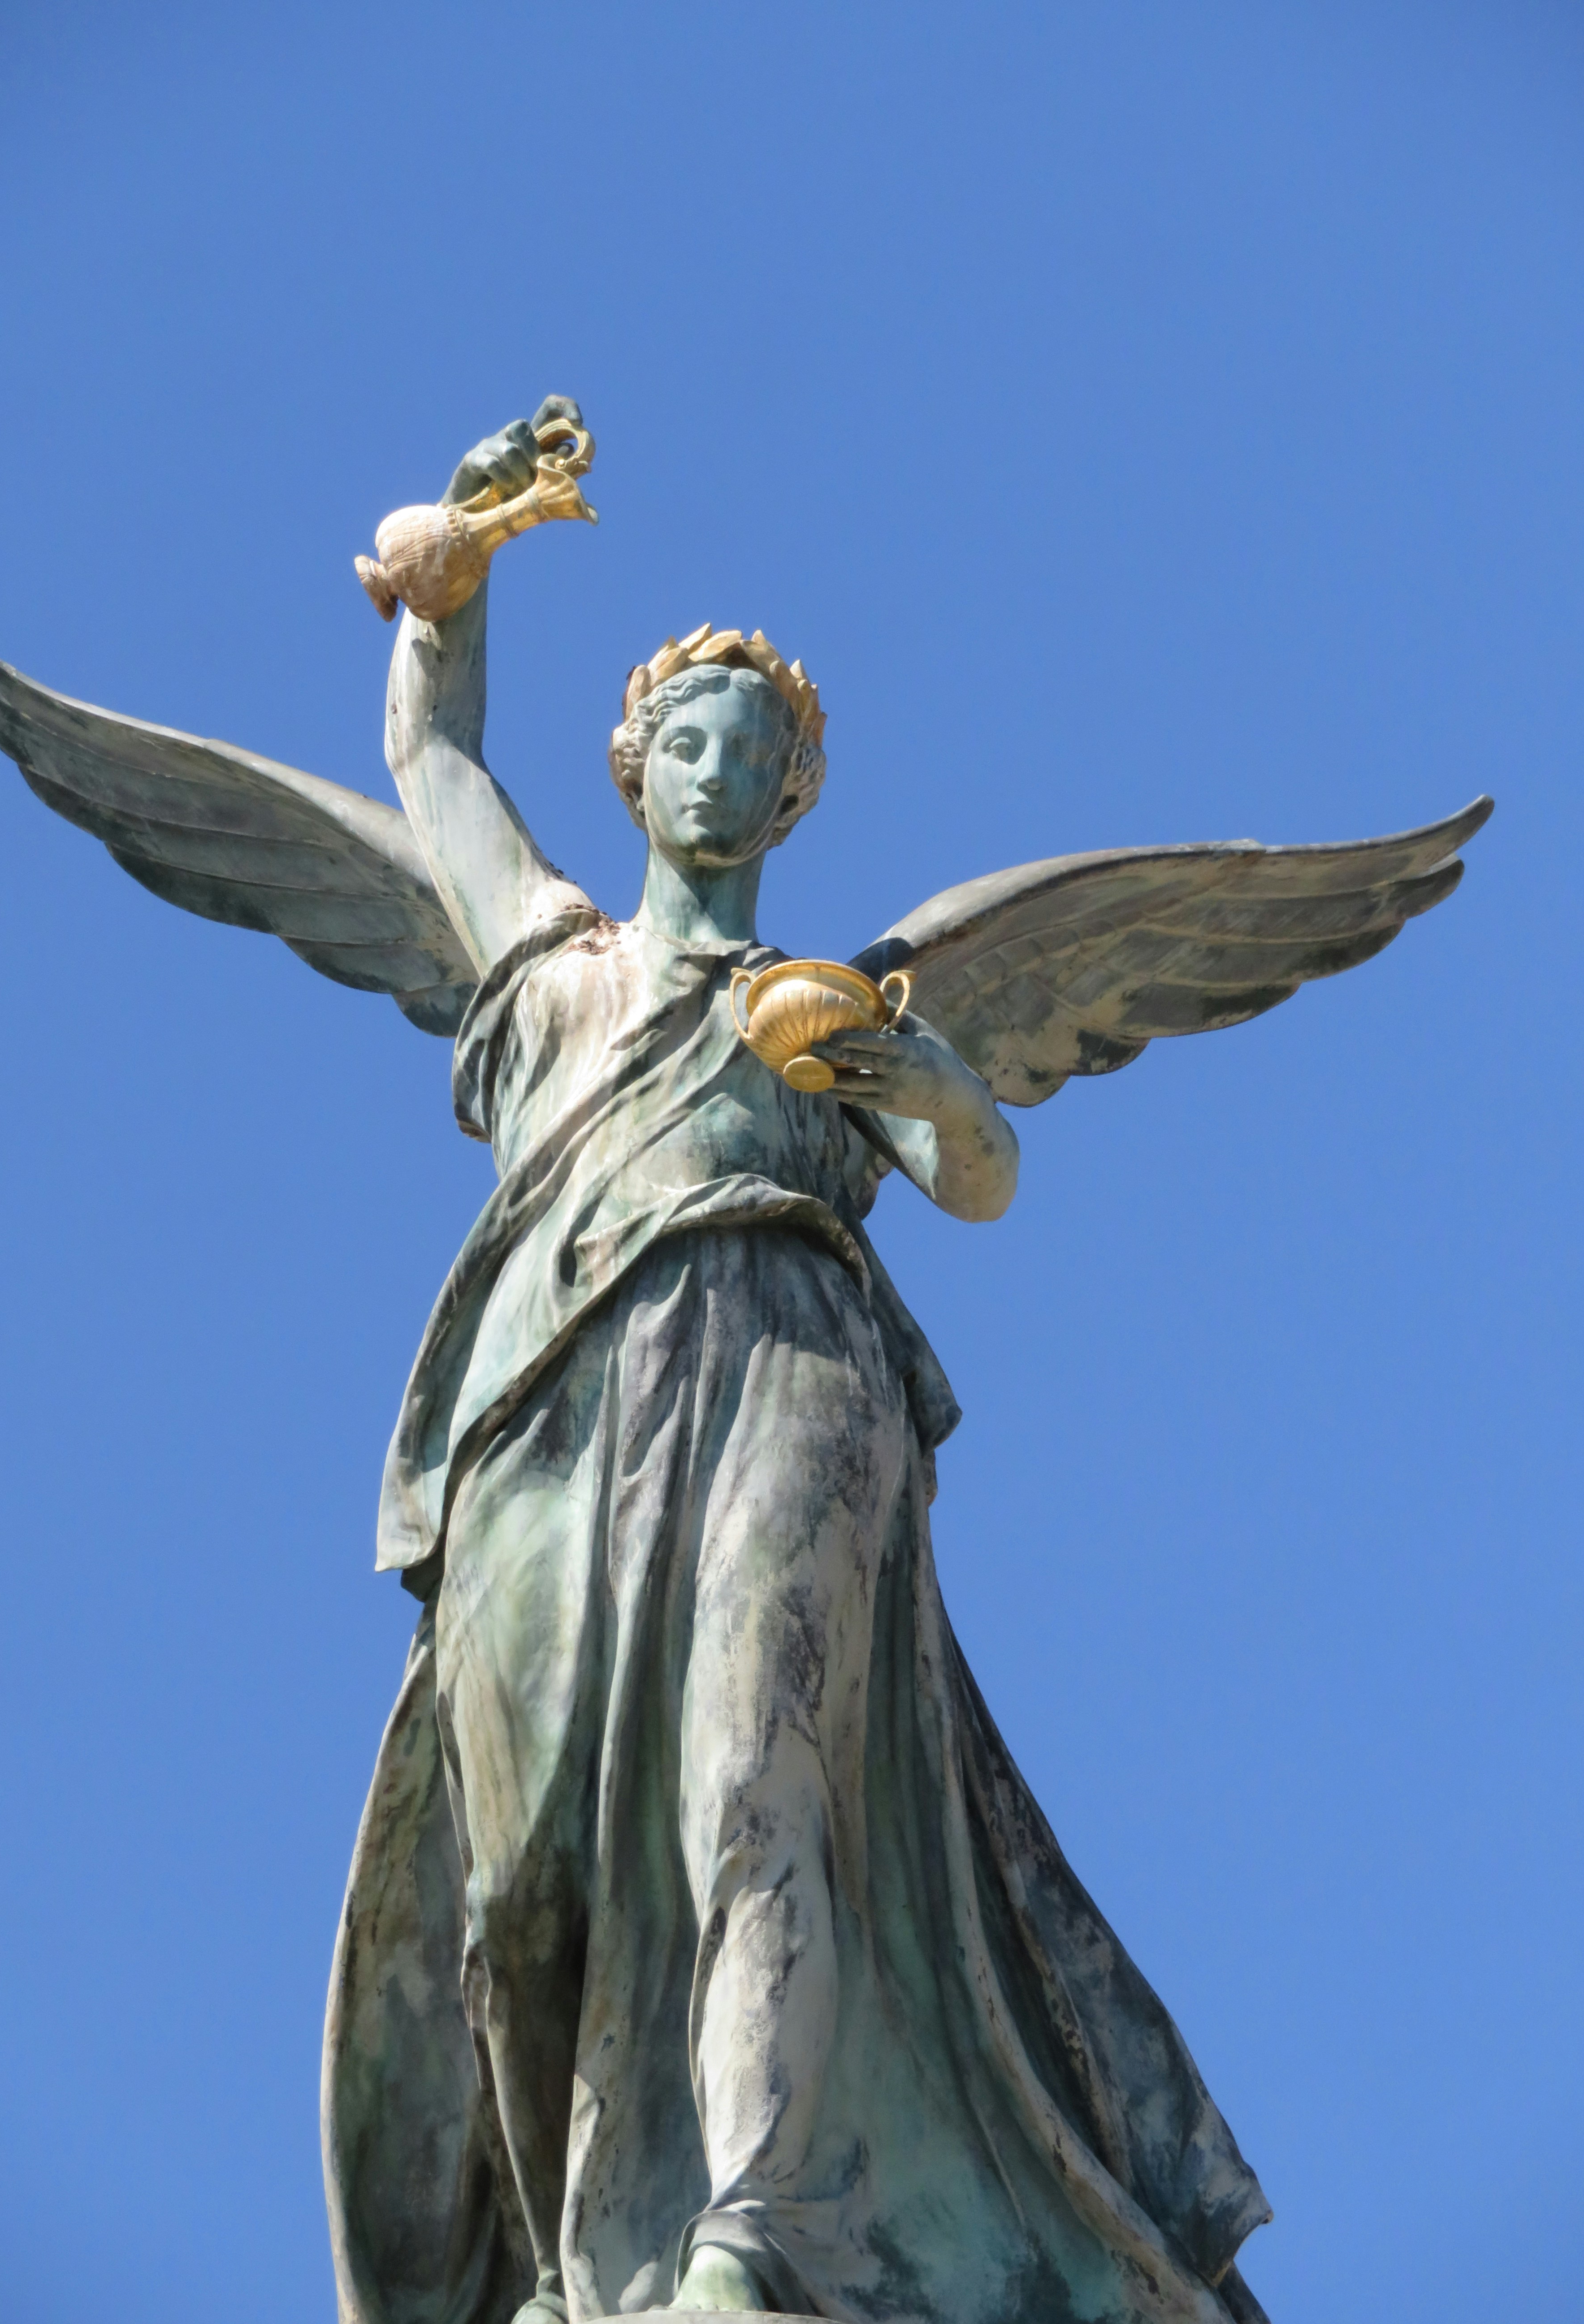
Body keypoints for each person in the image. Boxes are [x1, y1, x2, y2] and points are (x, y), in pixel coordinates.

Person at [321, 405, 1272, 2324]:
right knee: (522, 1896)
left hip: (796, 1371)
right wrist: (456, 582)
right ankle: (580, 2254)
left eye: (757, 759)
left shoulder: (826, 1016)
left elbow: (983, 1174)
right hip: (554, 1413)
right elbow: (432, 753)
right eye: (690, 741)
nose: (718, 773)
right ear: (637, 772)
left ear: (788, 807)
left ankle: (758, 2223)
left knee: (765, 1799)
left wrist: (916, 1078)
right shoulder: (557, 967)